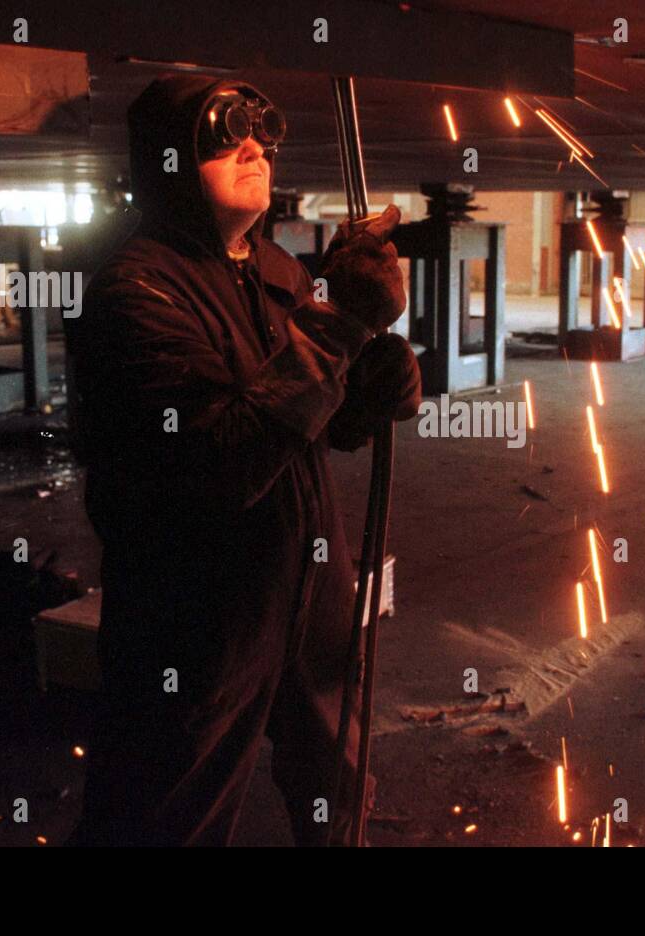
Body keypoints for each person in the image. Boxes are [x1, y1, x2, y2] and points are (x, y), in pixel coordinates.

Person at [65, 74, 420, 846]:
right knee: (166, 810)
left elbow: (307, 427)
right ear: (166, 164)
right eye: (222, 134)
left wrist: (367, 390)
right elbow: (221, 460)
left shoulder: (278, 271)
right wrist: (336, 329)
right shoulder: (135, 294)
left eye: (257, 129)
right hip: (197, 615)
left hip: (305, 587)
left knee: (337, 785)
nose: (253, 146)